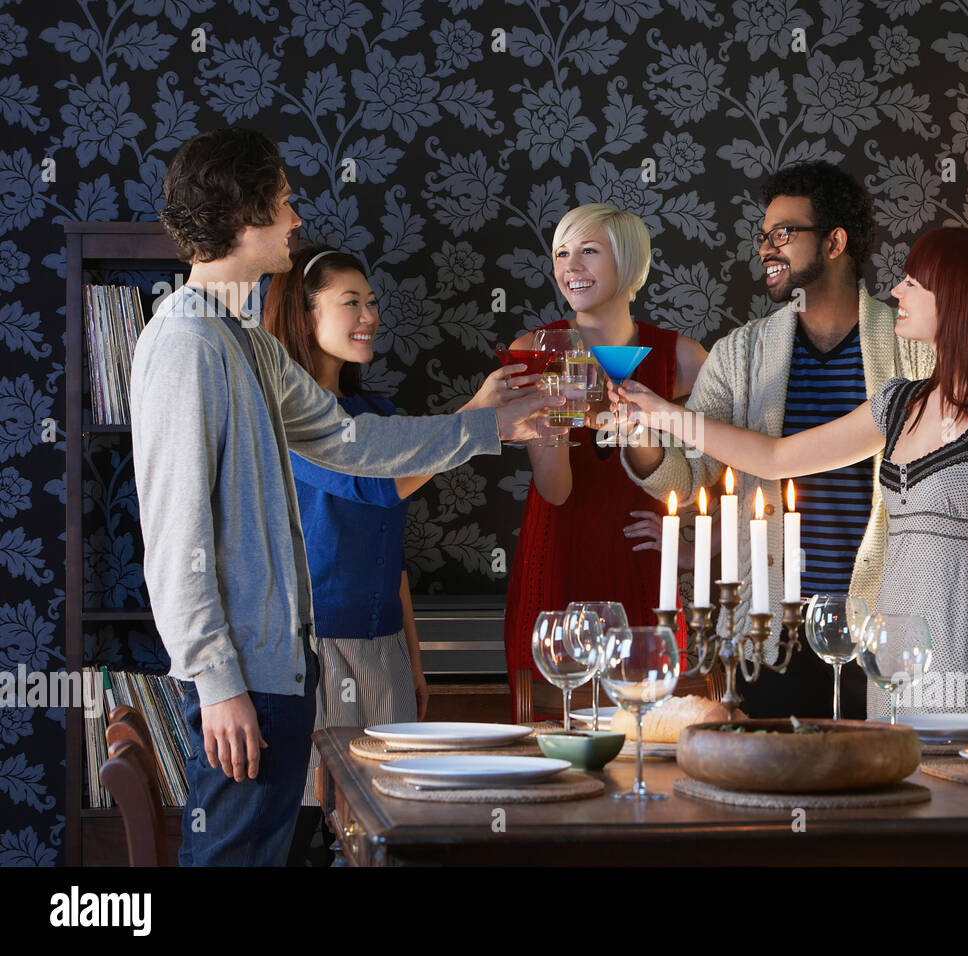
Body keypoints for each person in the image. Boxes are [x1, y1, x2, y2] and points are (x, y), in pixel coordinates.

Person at [131, 128, 564, 866]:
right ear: (244, 211)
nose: (297, 219)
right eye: (286, 201)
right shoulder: (187, 343)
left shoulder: (244, 341)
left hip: (281, 669)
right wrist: (216, 680)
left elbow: (353, 445)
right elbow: (175, 536)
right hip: (247, 678)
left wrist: (491, 425)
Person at [614, 227, 968, 733]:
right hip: (889, 661)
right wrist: (665, 416)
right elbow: (775, 457)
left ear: (957, 297)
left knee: (959, 802)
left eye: (913, 283)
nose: (896, 291)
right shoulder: (899, 402)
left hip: (964, 651)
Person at [619, 161, 933, 719]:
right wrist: (638, 426)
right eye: (763, 236)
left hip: (885, 625)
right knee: (769, 791)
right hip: (772, 628)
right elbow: (686, 476)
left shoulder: (913, 351)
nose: (767, 248)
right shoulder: (738, 354)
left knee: (885, 795)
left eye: (783, 234)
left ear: (835, 242)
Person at [261, 245, 532, 863]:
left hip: (384, 650)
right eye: (350, 302)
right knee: (316, 828)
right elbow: (375, 481)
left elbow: (391, 543)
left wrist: (413, 658)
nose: (370, 316)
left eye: (372, 302)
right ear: (304, 317)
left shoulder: (373, 414)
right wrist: (478, 416)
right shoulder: (291, 419)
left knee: (393, 830)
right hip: (317, 651)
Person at [502, 203, 708, 711]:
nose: (571, 267)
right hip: (557, 558)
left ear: (630, 262)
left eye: (589, 252)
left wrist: (685, 540)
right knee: (556, 735)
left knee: (649, 737)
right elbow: (557, 490)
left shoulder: (682, 358)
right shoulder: (534, 349)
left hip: (643, 564)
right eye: (562, 253)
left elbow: (719, 473)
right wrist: (557, 416)